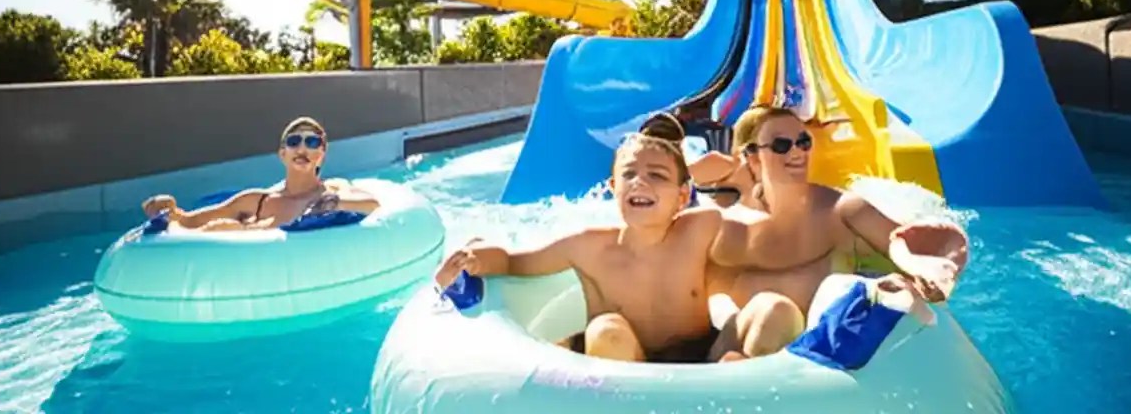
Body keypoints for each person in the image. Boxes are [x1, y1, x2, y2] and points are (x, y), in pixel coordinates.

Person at [435, 113, 725, 364]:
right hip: (620, 361)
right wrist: (473, 260)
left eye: (657, 175)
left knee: (755, 330)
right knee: (606, 331)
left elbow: (755, 238)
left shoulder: (699, 232)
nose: (640, 181)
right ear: (613, 187)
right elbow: (515, 262)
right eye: (629, 174)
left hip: (694, 362)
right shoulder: (588, 247)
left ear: (684, 195)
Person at [705, 104, 970, 362]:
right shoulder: (725, 226)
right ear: (751, 156)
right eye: (781, 145)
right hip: (742, 350)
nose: (797, 152)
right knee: (771, 310)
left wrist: (925, 268)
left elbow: (900, 242)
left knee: (778, 312)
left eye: (803, 141)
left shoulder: (841, 209)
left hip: (812, 355)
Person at [139, 116, 380, 231]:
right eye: (294, 141)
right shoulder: (255, 201)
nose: (302, 148)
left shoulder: (333, 189)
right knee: (222, 227)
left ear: (322, 154)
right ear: (282, 154)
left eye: (312, 142)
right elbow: (190, 220)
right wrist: (166, 209)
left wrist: (328, 204)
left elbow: (371, 204)